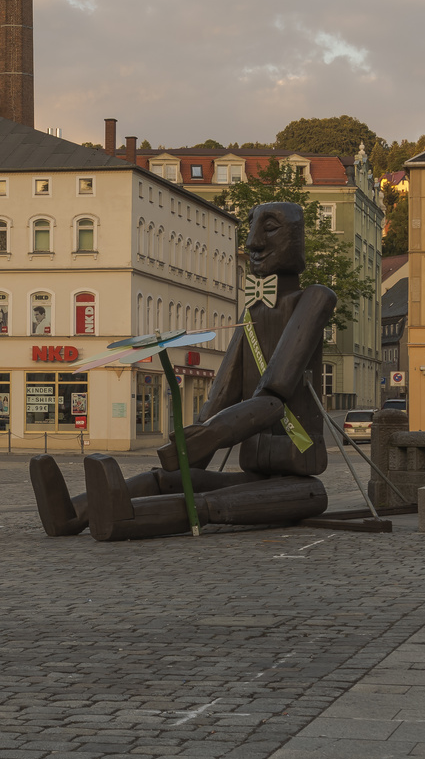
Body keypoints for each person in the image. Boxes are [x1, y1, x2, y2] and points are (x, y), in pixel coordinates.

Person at [29, 202, 335, 540]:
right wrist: (189, 457)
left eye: (271, 228)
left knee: (208, 503)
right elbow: (222, 393)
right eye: (251, 228)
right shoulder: (253, 310)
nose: (253, 242)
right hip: (256, 471)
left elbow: (274, 392)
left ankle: (125, 517)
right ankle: (72, 513)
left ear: (296, 238)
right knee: (166, 480)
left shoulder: (315, 298)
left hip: (300, 478)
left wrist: (213, 434)